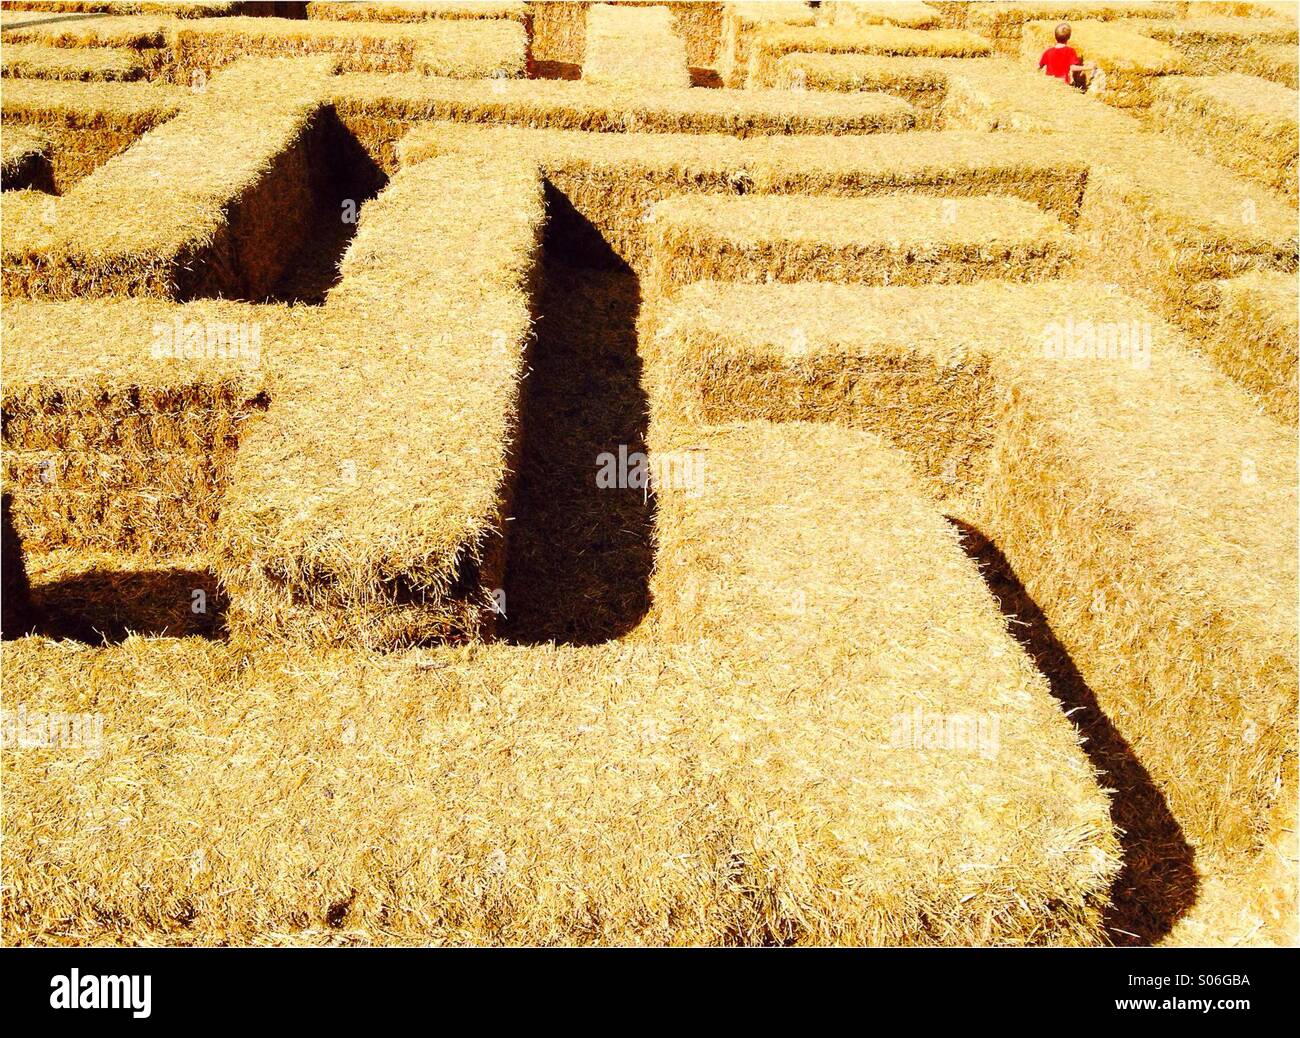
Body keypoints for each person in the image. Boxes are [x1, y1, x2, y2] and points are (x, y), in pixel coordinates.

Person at [1038, 22, 1097, 90]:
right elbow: (1072, 67)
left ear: (1055, 36)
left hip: (1049, 83)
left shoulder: (1048, 51)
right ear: (1069, 37)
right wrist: (1088, 67)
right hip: (1062, 84)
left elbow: (1039, 66)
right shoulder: (1070, 51)